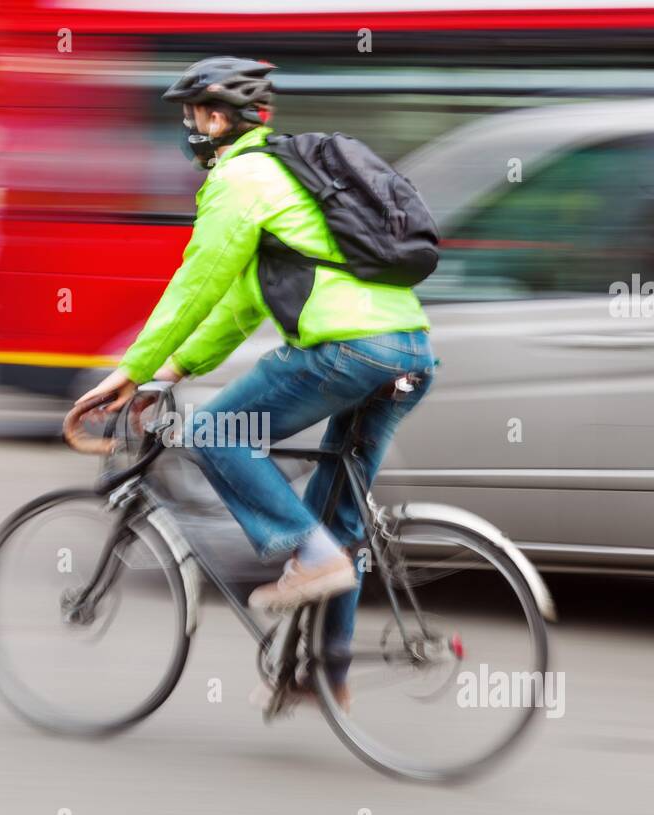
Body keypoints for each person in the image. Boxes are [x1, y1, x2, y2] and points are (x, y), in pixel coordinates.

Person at [71, 57, 435, 708]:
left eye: (192, 116)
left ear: (217, 117)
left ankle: (309, 557)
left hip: (343, 352)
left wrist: (131, 369)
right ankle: (324, 671)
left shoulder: (241, 179)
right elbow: (240, 304)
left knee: (214, 433)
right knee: (336, 521)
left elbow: (195, 284)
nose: (189, 130)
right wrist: (173, 370)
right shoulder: (288, 175)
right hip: (406, 353)